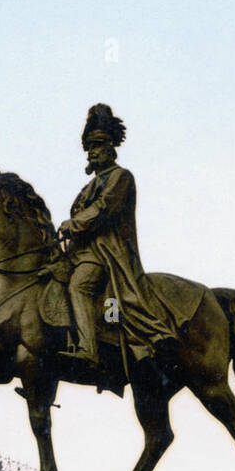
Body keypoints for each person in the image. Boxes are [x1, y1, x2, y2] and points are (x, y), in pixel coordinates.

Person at [57, 103, 182, 377]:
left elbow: (103, 209)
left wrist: (72, 225)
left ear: (112, 146)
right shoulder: (89, 185)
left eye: (99, 144)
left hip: (106, 253)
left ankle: (88, 349)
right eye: (89, 146)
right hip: (82, 252)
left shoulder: (120, 177)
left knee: (79, 286)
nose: (93, 150)